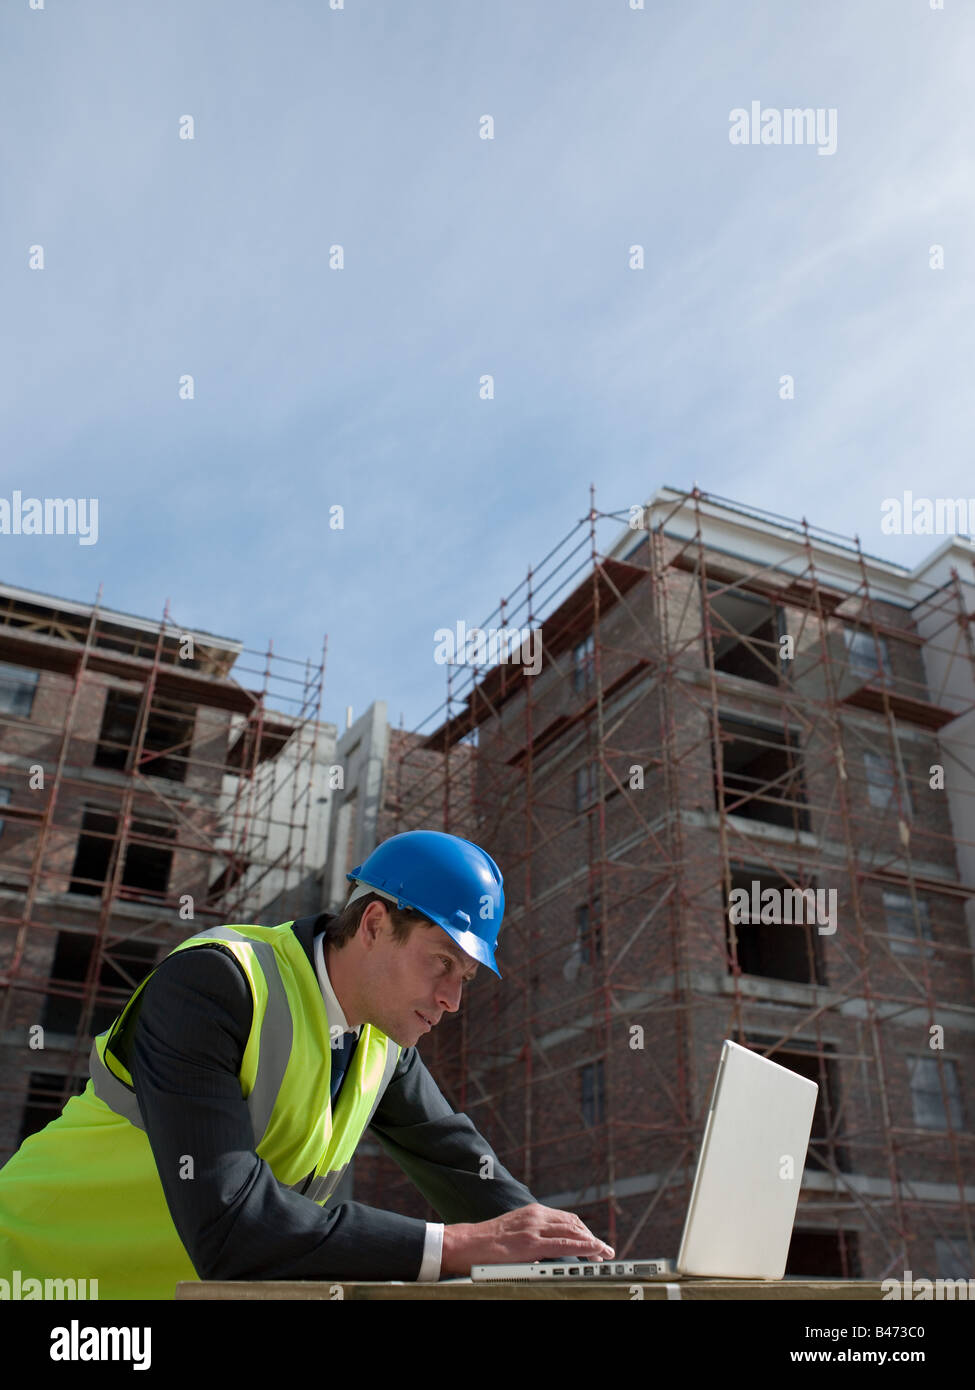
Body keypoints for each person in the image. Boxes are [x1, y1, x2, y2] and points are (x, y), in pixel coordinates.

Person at [0, 829, 613, 1297]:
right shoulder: (216, 982)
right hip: (33, 1276)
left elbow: (466, 1170)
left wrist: (577, 1265)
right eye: (442, 962)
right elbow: (229, 1226)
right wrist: (454, 1246)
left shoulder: (383, 1046)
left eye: (467, 977)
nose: (453, 1000)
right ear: (374, 924)